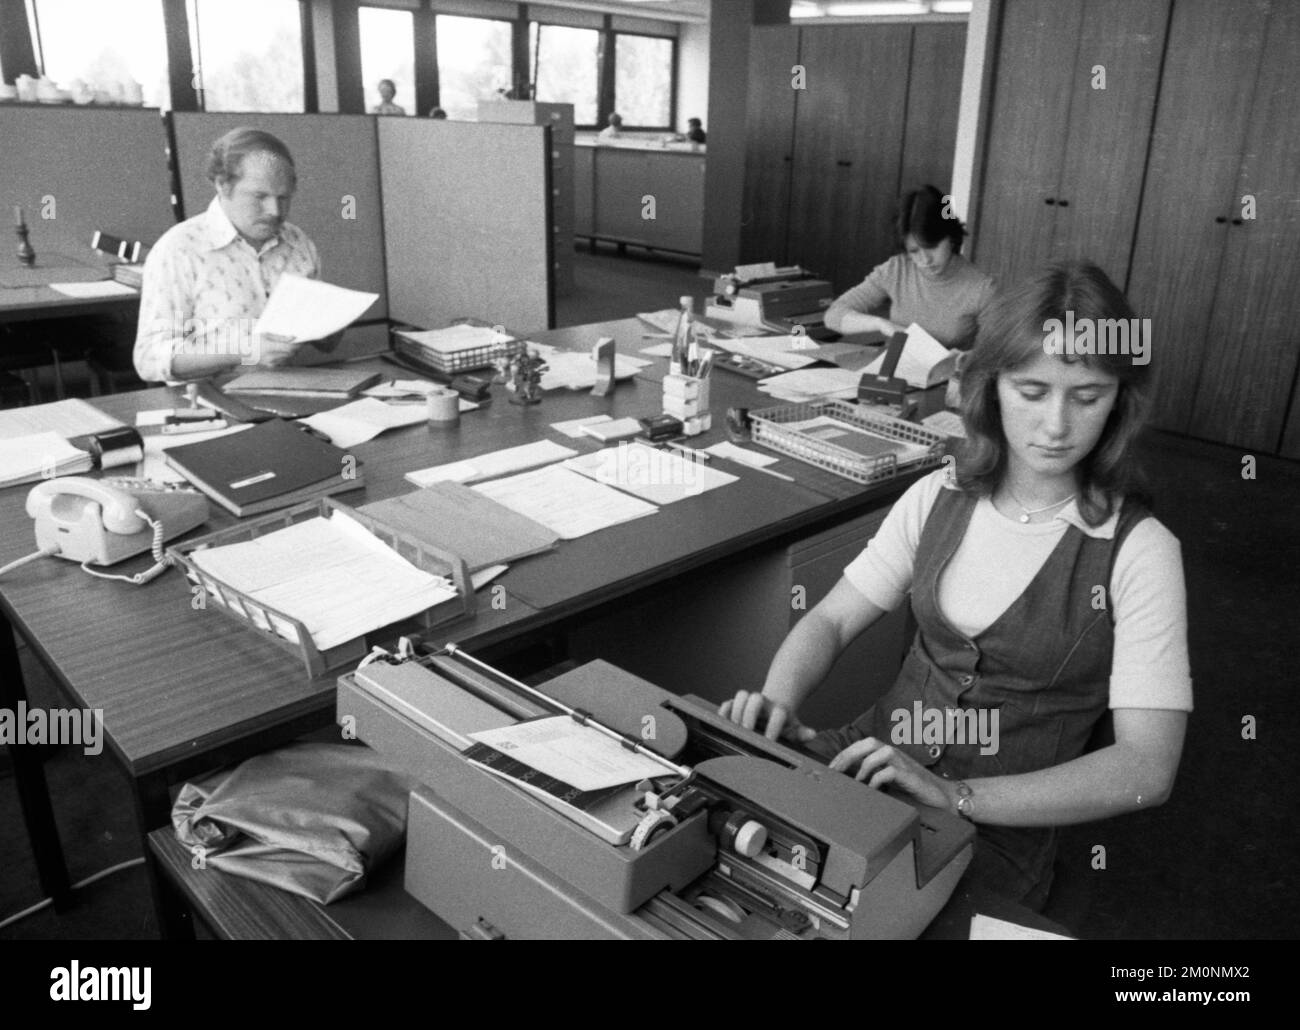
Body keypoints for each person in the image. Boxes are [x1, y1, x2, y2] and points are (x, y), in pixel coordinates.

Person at [720, 260, 1191, 912]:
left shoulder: (1141, 553)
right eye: (1031, 391)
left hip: (994, 828)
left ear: (1120, 401)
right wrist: (777, 702)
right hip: (867, 759)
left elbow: (1147, 767)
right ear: (990, 386)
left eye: (1086, 397)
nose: (1055, 426)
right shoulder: (938, 495)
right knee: (729, 853)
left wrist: (959, 796)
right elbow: (829, 621)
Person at [133, 128, 336, 382]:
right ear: (222, 185)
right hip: (207, 404)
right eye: (259, 196)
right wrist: (244, 352)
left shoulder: (298, 243)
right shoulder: (180, 249)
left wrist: (329, 325)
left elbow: (326, 344)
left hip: (288, 391)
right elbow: (150, 358)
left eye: (283, 197)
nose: (274, 210)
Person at [825, 184, 996, 350]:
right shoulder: (896, 269)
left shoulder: (982, 288)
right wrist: (881, 324)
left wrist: (967, 358)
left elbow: (999, 348)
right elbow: (834, 315)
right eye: (914, 251)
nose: (925, 260)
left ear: (951, 237)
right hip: (894, 372)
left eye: (932, 246)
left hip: (947, 376)